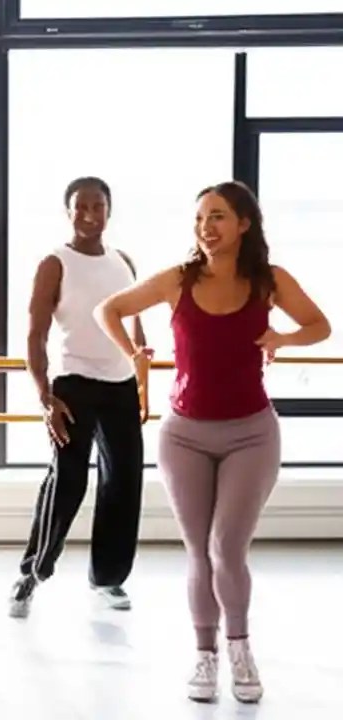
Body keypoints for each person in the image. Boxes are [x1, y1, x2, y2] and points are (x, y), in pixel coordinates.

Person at [96, 181, 329, 704]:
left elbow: (320, 325)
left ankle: (240, 647)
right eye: (201, 217)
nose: (207, 227)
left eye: (219, 216)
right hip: (184, 436)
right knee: (199, 550)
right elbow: (107, 310)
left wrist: (282, 339)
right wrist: (134, 354)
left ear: (245, 224)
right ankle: (205, 655)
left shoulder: (269, 280)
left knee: (228, 547)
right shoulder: (177, 280)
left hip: (252, 434)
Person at [9, 177, 150, 619]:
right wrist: (44, 397)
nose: (90, 214)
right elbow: (35, 334)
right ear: (68, 212)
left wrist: (142, 382)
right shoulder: (55, 262)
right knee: (67, 481)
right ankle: (32, 574)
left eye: (98, 206)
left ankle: (108, 577)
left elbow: (133, 325)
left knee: (124, 482)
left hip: (121, 385)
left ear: (110, 210)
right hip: (74, 386)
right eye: (81, 207)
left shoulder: (122, 260)